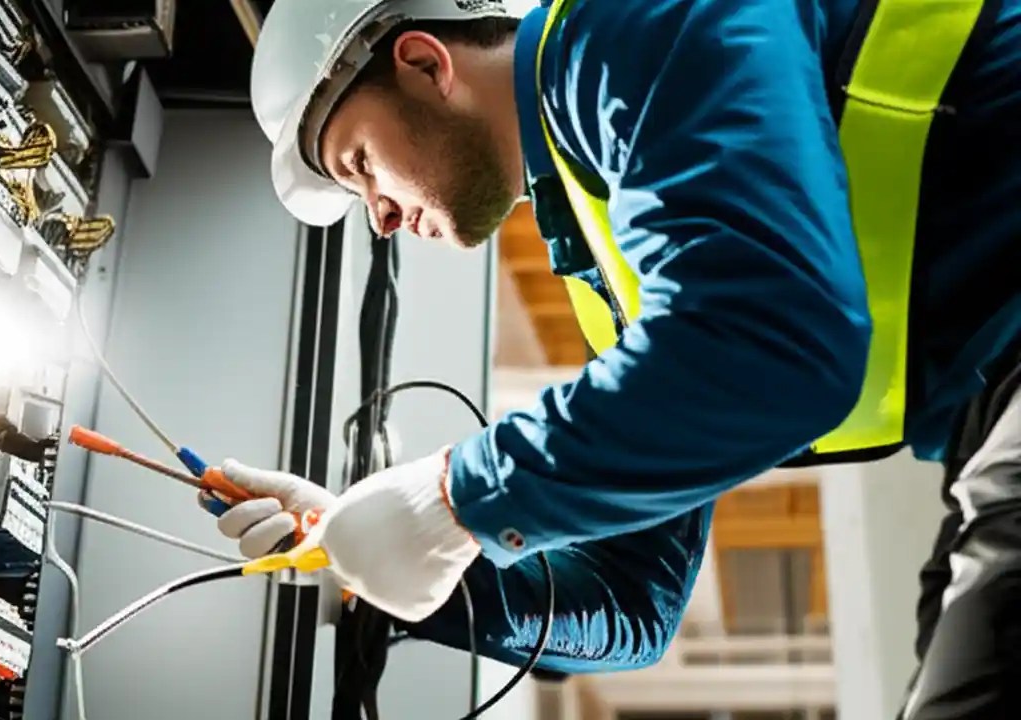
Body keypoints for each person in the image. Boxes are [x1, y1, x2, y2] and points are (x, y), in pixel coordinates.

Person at [208, 0, 1021, 716]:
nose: (378, 217)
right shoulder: (617, 252)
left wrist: (451, 499)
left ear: (424, 63)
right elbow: (633, 604)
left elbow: (778, 340)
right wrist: (369, 557)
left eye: (360, 165)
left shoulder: (638, 21)